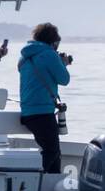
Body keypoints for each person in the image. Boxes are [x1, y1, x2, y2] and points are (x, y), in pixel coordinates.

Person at [18, 22, 72, 175]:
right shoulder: (49, 54)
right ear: (53, 42)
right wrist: (63, 64)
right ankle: (29, 182)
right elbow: (64, 79)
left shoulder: (25, 56)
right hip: (42, 112)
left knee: (54, 152)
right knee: (52, 151)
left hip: (28, 112)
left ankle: (52, 189)